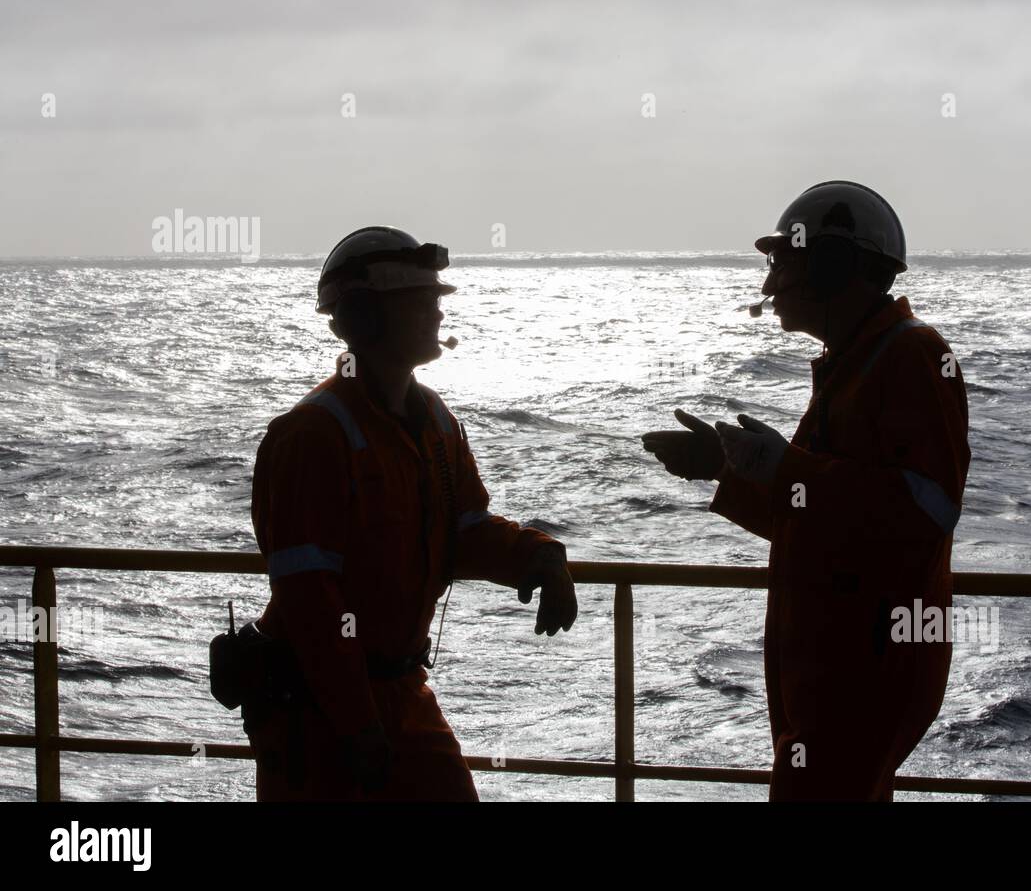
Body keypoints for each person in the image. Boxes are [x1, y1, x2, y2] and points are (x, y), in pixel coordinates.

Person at [642, 182, 970, 800]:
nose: (769, 288)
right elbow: (821, 517)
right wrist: (728, 471)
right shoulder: (857, 363)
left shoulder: (911, 357)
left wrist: (783, 467)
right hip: (833, 661)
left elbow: (925, 514)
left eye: (783, 265)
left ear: (832, 265)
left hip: (864, 666)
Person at [247, 225, 577, 800]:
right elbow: (308, 595)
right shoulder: (314, 435)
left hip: (402, 692)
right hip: (317, 709)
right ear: (365, 319)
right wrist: (356, 723)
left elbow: (466, 529)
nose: (437, 313)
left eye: (435, 299)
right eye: (420, 301)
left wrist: (540, 557)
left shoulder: (435, 422)